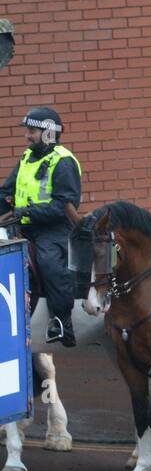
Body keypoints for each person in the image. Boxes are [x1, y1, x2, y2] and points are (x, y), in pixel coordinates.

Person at [0, 106, 82, 346]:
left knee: (49, 263)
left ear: (48, 133)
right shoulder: (27, 157)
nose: (27, 135)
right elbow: (7, 191)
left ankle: (62, 323)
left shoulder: (64, 161)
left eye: (31, 131)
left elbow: (65, 205)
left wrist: (30, 212)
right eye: (27, 130)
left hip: (54, 230)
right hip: (24, 227)